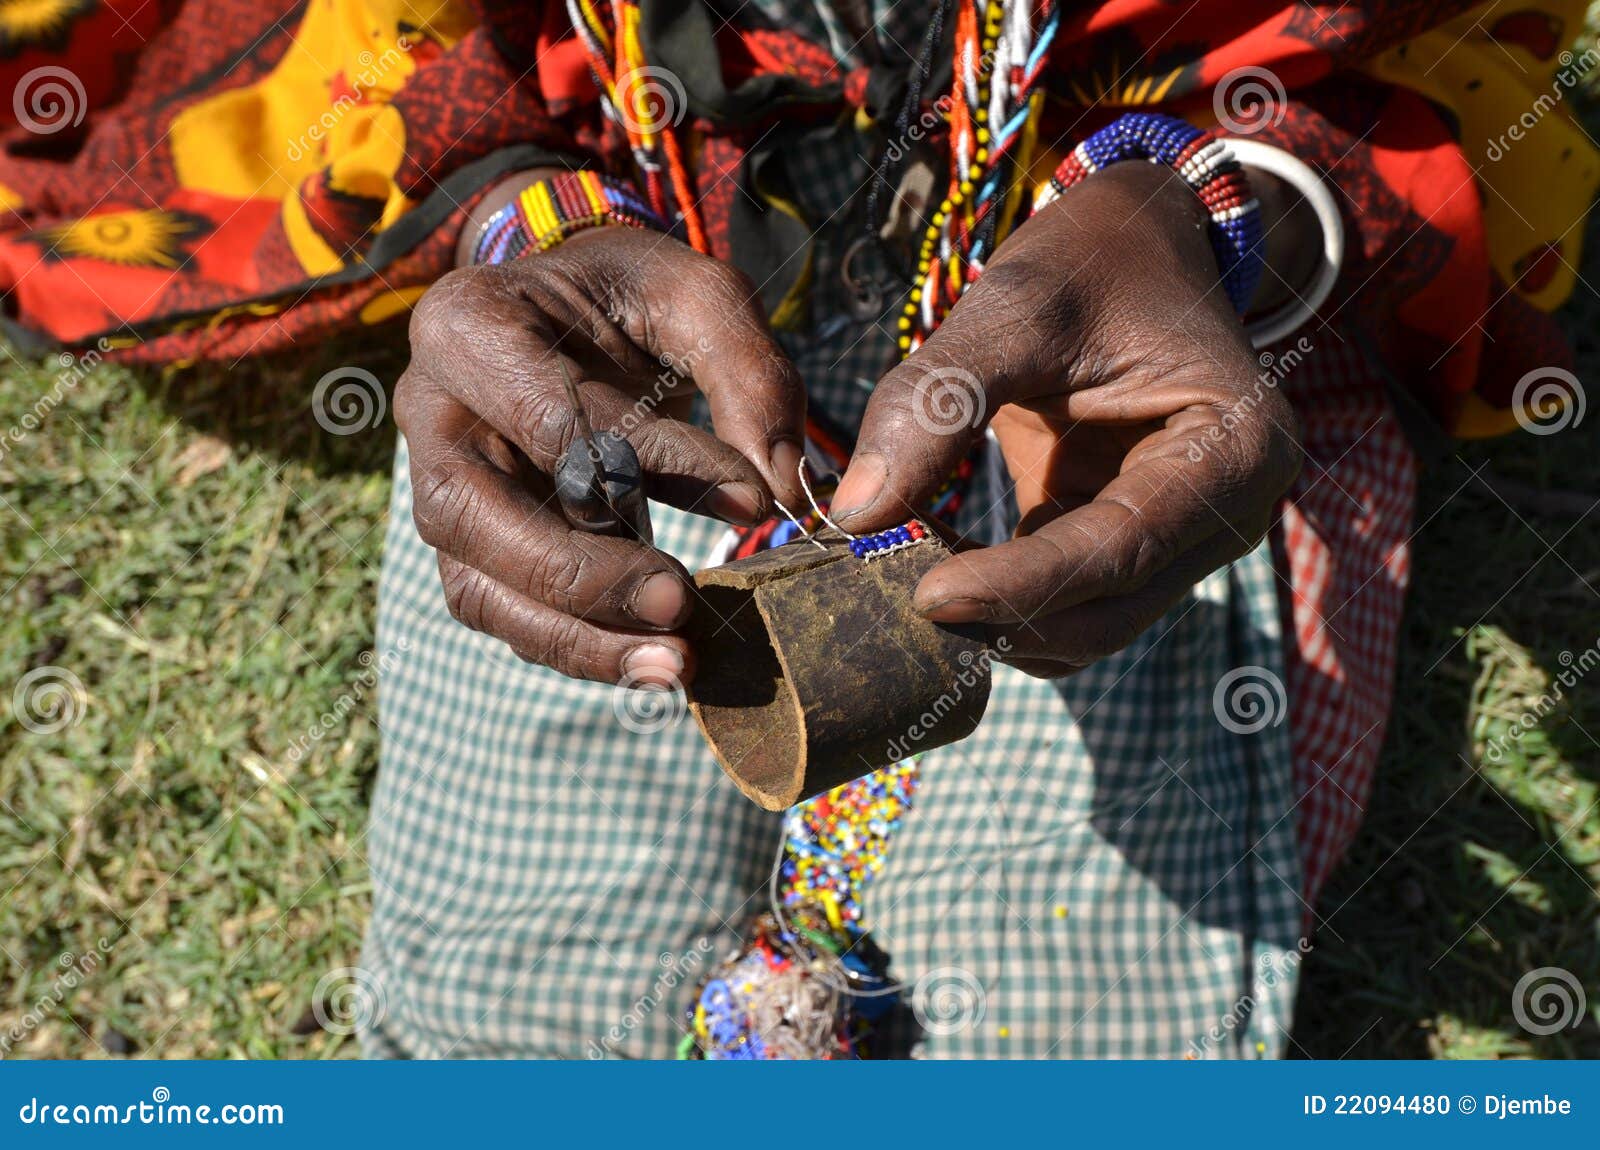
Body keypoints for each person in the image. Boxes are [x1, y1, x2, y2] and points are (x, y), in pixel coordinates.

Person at [1, 0, 1593, 1058]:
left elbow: (1378, 52)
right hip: (637, 242)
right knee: (516, 1015)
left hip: (1109, 268)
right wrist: (511, 222)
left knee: (1063, 1023)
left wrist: (1217, 211)